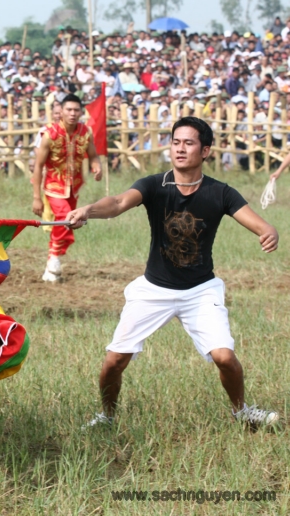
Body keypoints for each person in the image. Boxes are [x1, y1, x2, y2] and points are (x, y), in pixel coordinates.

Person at [66, 117, 280, 429]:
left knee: (225, 358)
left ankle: (242, 411)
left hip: (201, 291)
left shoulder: (221, 192)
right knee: (114, 360)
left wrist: (269, 231)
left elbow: (259, 223)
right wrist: (89, 210)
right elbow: (117, 202)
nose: (180, 149)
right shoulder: (154, 185)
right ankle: (107, 416)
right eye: (176, 142)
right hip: (153, 290)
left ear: (205, 150)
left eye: (189, 143)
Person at [31, 93, 102, 282]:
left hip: (74, 186)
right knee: (65, 217)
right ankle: (54, 257)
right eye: (68, 109)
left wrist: (97, 166)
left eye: (76, 110)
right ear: (61, 111)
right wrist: (36, 197)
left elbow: (93, 154)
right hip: (54, 186)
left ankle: (51, 265)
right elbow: (38, 166)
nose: (72, 113)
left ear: (81, 112)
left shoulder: (85, 132)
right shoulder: (49, 134)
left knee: (70, 221)